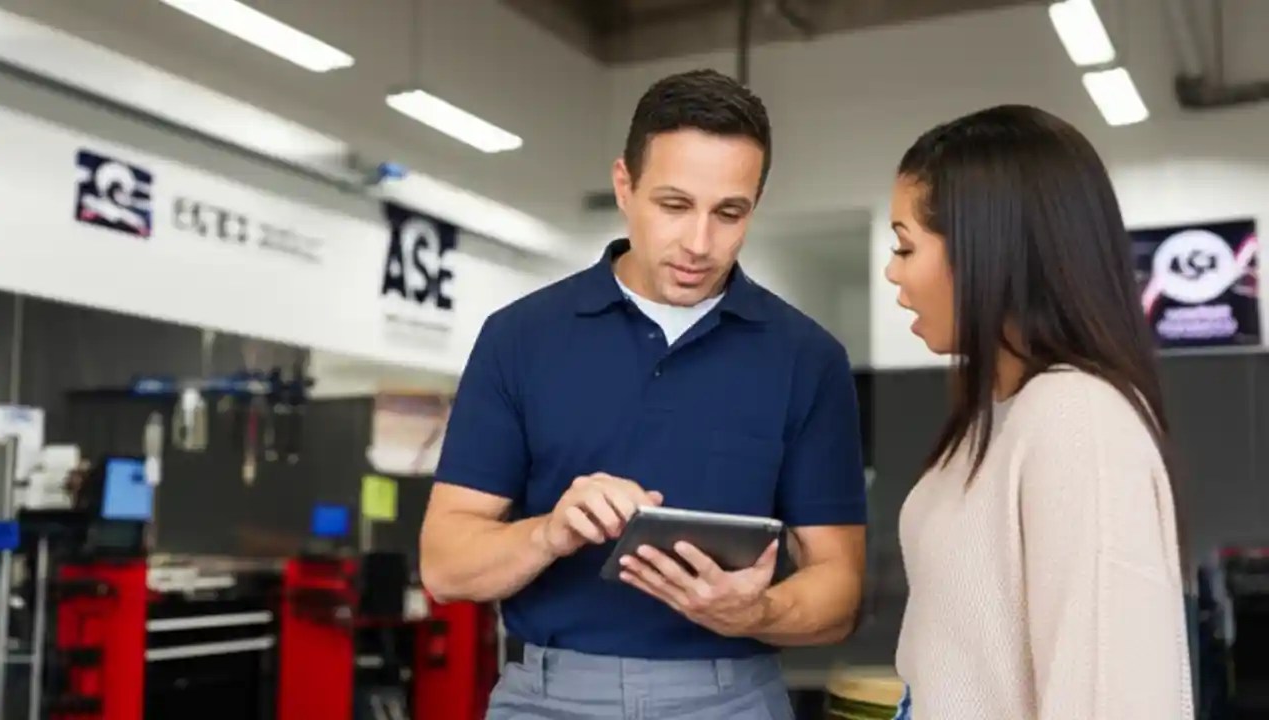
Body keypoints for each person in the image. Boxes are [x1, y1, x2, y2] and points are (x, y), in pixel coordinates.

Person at [420, 68, 868, 719]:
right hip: (547, 698)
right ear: (624, 186)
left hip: (732, 697)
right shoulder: (520, 338)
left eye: (729, 213)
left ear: (754, 207)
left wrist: (756, 609)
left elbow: (840, 590)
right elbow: (443, 565)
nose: (698, 243)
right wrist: (550, 533)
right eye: (674, 205)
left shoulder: (808, 359)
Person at [884, 104, 1194, 720]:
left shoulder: (1077, 419)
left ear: (983, 251)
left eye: (905, 245)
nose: (893, 272)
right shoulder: (994, 417)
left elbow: (1112, 697)